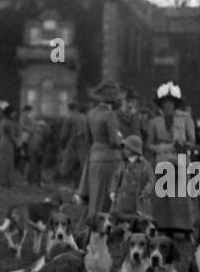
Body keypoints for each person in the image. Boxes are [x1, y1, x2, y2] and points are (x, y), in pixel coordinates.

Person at [145, 82, 199, 235]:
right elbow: (149, 144)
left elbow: (192, 141)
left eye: (170, 102)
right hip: (162, 160)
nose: (167, 105)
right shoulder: (154, 122)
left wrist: (184, 144)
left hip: (180, 158)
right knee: (163, 194)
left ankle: (183, 226)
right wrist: (163, 148)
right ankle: (163, 225)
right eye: (164, 102)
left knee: (180, 195)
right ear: (160, 105)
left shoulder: (185, 119)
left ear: (175, 103)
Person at [85, 80, 125, 218]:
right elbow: (114, 142)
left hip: (95, 158)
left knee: (95, 196)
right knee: (107, 198)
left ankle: (92, 222)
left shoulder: (91, 113)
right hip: (110, 159)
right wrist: (123, 142)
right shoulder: (110, 115)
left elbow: (89, 138)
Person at [110, 135, 155, 219]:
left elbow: (151, 180)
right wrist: (112, 190)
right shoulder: (123, 163)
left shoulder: (145, 164)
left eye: (127, 148)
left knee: (137, 218)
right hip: (122, 200)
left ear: (134, 150)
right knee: (121, 218)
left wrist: (146, 191)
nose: (124, 150)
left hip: (137, 199)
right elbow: (116, 177)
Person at [57, 102, 91, 182]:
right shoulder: (85, 117)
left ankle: (66, 181)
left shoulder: (69, 117)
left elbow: (64, 134)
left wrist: (62, 145)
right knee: (82, 165)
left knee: (68, 165)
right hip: (84, 145)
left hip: (71, 145)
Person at [0, 102, 18, 186]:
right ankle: (5, 181)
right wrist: (17, 144)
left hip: (1, 142)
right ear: (10, 113)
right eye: (13, 112)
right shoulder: (10, 123)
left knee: (0, 162)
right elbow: (12, 136)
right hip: (8, 144)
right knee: (7, 163)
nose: (15, 114)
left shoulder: (3, 121)